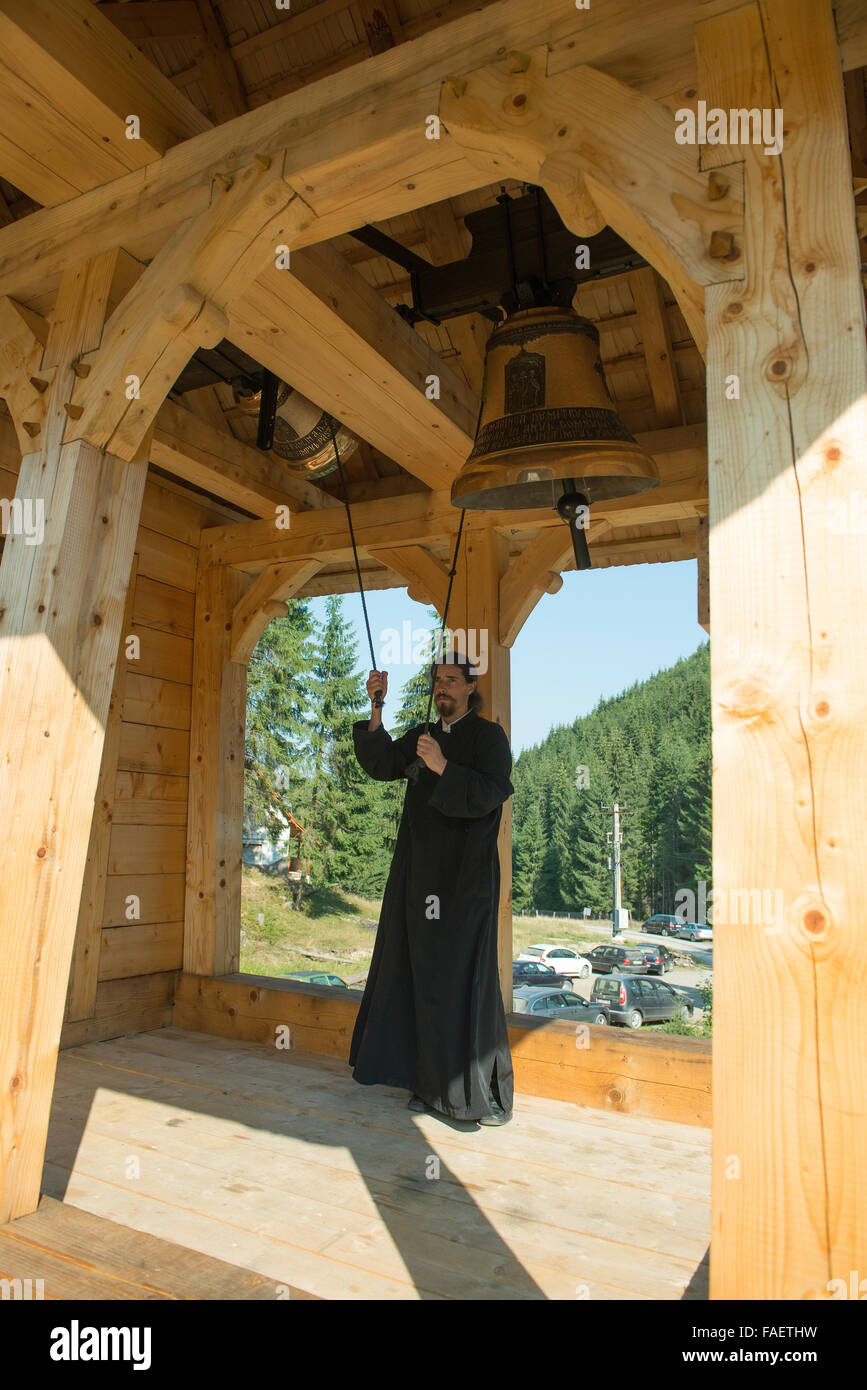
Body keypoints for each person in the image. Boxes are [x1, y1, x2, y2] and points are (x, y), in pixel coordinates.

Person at [349, 655, 515, 1125]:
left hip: (464, 884)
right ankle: (423, 1083)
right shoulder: (422, 733)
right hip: (418, 878)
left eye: (450, 680)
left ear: (469, 687)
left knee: (461, 979)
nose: (441, 687)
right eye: (436, 681)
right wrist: (377, 707)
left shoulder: (489, 738)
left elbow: (492, 792)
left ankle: (476, 1095)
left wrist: (442, 767)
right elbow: (381, 763)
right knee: (416, 974)